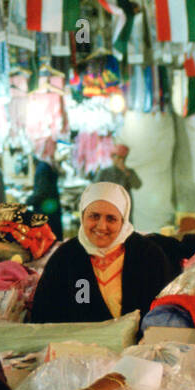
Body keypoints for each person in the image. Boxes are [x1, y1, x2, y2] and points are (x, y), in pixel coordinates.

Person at [30, 182, 175, 324]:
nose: (101, 226)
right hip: (79, 345)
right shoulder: (66, 256)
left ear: (123, 221)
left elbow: (163, 313)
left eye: (111, 219)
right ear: (82, 216)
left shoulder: (147, 255)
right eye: (94, 216)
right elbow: (43, 316)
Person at [28, 138, 63, 241]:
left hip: (45, 213)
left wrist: (27, 202)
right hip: (52, 211)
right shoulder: (49, 165)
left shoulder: (43, 167)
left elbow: (41, 192)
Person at [95, 144, 143, 214]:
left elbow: (137, 185)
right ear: (112, 157)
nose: (120, 160)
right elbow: (95, 189)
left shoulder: (129, 172)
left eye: (123, 158)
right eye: (118, 157)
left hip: (124, 209)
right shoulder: (104, 172)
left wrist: (125, 171)